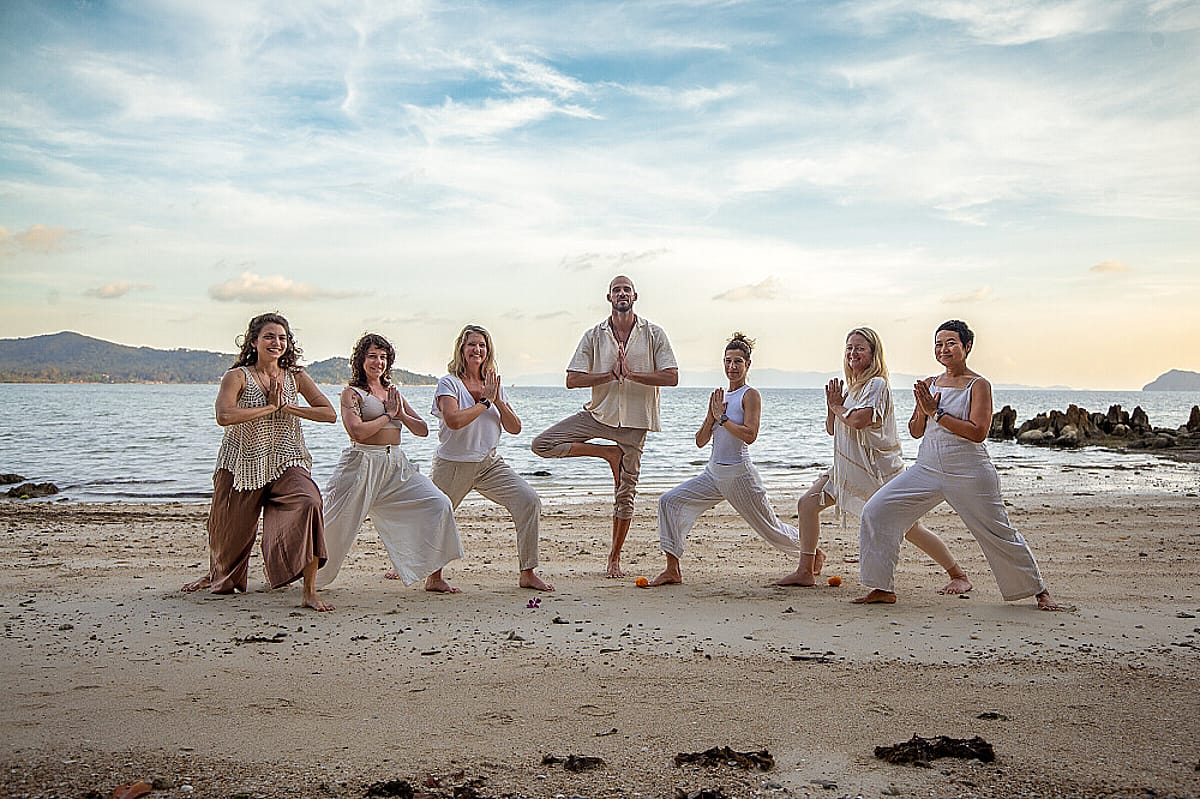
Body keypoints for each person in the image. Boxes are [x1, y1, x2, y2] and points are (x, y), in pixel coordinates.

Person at [856, 320, 1063, 610]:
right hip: (927, 468)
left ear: (967, 347)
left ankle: (1039, 591)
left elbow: (978, 432)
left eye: (951, 343)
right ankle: (881, 589)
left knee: (997, 532)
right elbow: (916, 431)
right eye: (938, 344)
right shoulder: (929, 383)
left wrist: (936, 412)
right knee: (877, 510)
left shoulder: (978, 385)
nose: (944, 349)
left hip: (970, 472)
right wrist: (922, 409)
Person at [774, 327, 972, 593]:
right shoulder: (853, 387)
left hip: (878, 470)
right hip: (847, 467)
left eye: (859, 348)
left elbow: (859, 420)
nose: (852, 353)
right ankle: (805, 571)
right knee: (807, 504)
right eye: (849, 348)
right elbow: (834, 428)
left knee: (911, 529)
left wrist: (837, 407)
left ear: (873, 353)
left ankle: (958, 574)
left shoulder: (877, 384)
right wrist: (832, 406)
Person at [182, 312, 336, 611]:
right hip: (241, 464)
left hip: (286, 460)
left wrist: (288, 407)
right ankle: (216, 573)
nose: (276, 342)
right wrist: (267, 408)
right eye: (269, 336)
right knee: (227, 539)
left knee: (309, 503)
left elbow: (328, 413)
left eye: (281, 337)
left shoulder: (296, 377)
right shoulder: (237, 376)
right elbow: (224, 416)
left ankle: (309, 591)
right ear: (254, 341)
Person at [531, 275, 678, 578]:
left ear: (635, 296)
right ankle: (606, 454)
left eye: (626, 289)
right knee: (542, 444)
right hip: (598, 415)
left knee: (625, 495)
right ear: (609, 297)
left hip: (635, 424)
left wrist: (634, 375)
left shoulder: (653, 334)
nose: (621, 293)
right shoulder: (593, 336)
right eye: (616, 290)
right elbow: (572, 380)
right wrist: (608, 375)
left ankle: (614, 559)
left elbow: (671, 376)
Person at [644, 333, 801, 587]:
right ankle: (672, 569)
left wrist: (724, 419)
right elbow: (700, 441)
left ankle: (813, 555)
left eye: (738, 361)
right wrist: (712, 416)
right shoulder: (719, 397)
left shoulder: (750, 395)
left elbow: (750, 435)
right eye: (728, 361)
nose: (732, 367)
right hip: (713, 474)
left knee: (769, 528)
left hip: (739, 475)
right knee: (669, 502)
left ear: (747, 365)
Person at [315, 333, 464, 594]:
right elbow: (357, 432)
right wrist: (388, 416)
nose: (378, 362)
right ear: (361, 359)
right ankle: (308, 577)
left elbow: (422, 430)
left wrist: (401, 414)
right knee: (335, 524)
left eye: (383, 357)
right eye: (372, 356)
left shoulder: (393, 393)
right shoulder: (352, 393)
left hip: (395, 464)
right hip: (362, 463)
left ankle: (434, 576)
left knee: (439, 504)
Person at [427, 324, 553, 591]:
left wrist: (495, 400)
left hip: (489, 464)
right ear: (462, 348)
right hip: (453, 464)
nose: (477, 349)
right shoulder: (448, 383)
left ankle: (527, 572)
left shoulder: (493, 385)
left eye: (482, 345)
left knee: (529, 501)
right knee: (436, 516)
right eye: (472, 344)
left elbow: (515, 427)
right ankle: (433, 577)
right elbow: (453, 421)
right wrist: (483, 402)